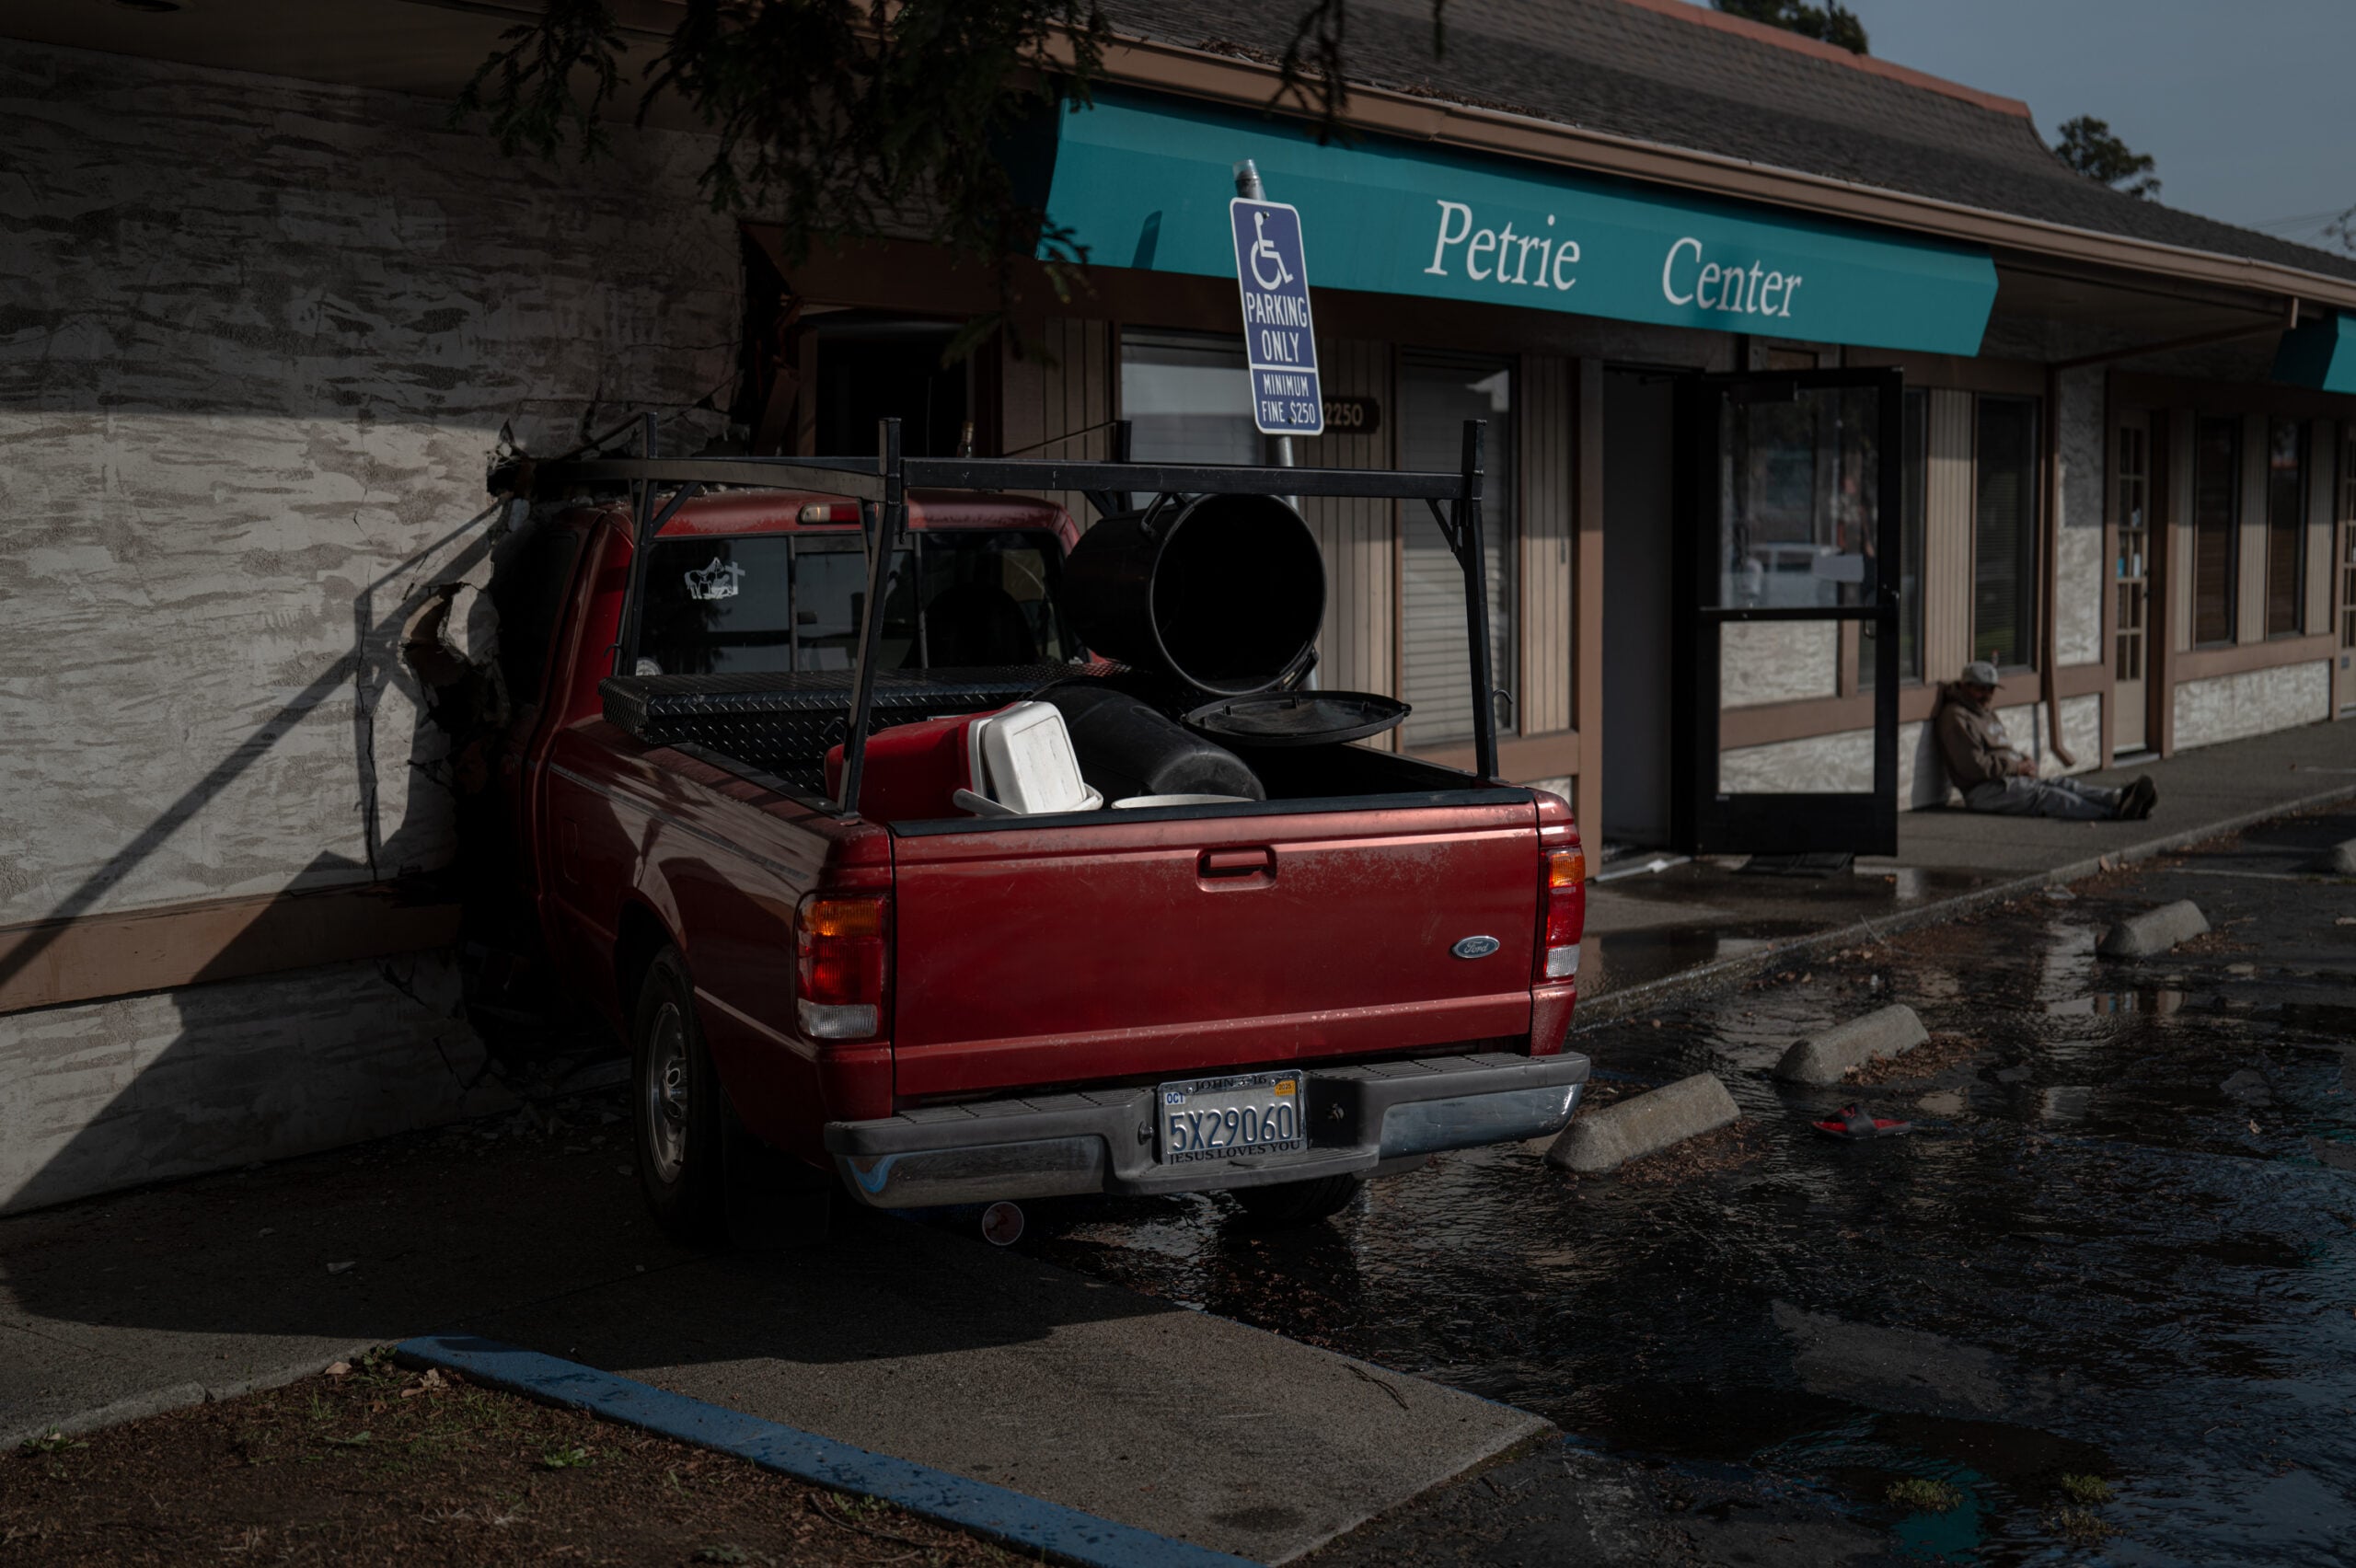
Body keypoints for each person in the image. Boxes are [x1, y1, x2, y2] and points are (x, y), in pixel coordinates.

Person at [1934, 662, 2154, 821]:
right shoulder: (1956, 717)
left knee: (2062, 784)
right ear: (1965, 686)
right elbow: (1973, 766)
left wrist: (2023, 761)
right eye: (1981, 688)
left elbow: (2001, 748)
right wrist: (2016, 767)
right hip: (1984, 790)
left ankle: (2117, 798)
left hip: (2006, 779)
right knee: (2048, 797)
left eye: (1991, 689)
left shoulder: (1983, 710)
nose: (1987, 694)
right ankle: (2114, 813)